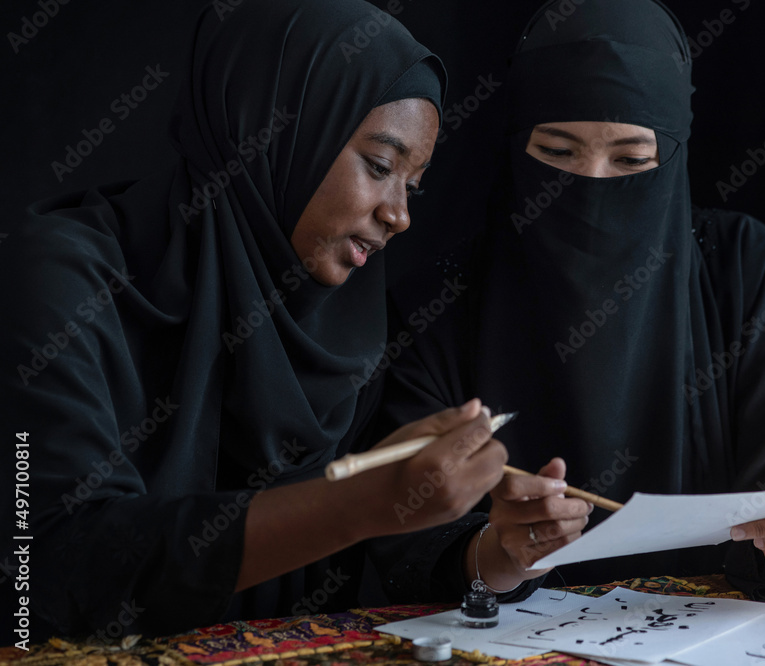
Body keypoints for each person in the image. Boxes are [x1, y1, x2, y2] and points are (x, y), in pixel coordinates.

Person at [0, 0, 509, 639]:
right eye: (380, 167)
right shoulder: (54, 280)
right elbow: (47, 564)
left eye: (414, 184)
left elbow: (409, 548)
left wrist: (500, 551)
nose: (399, 215)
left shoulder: (350, 325)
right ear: (267, 130)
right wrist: (353, 504)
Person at [370, 0, 765, 604]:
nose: (593, 182)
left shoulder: (738, 265)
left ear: (673, 157)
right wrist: (500, 555)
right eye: (556, 153)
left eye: (631, 160)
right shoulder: (437, 303)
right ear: (513, 143)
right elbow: (401, 543)